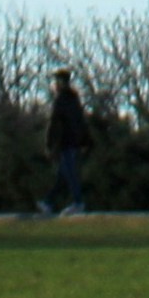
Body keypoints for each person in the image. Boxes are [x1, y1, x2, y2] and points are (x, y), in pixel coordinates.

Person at [44, 68, 93, 217]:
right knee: (63, 175)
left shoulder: (61, 100)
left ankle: (78, 202)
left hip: (66, 142)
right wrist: (85, 140)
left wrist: (49, 143)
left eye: (57, 81)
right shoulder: (74, 99)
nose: (55, 84)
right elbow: (81, 121)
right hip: (75, 142)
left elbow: (54, 123)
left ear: (61, 82)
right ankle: (48, 201)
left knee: (70, 173)